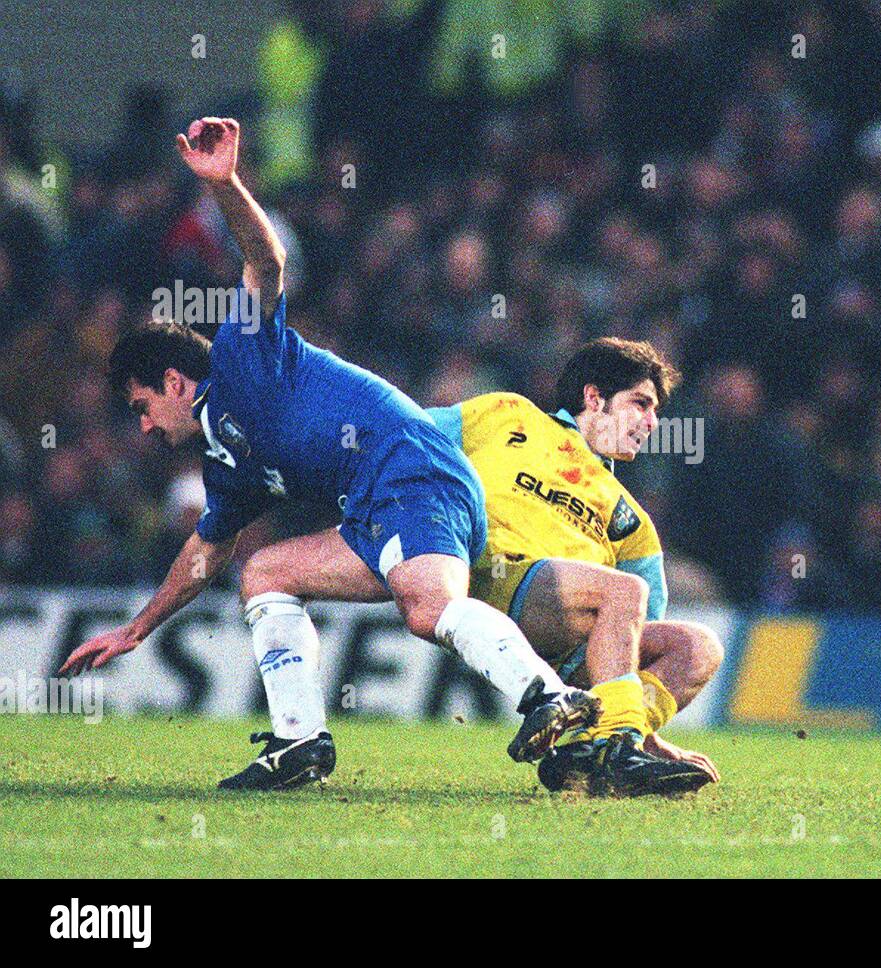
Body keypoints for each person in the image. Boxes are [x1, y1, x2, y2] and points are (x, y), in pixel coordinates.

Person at [59, 118, 600, 790]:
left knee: (426, 610)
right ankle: (299, 741)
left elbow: (265, 262)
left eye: (141, 406)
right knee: (265, 572)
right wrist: (137, 628)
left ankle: (547, 697)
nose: (141, 428)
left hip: (413, 473)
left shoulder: (240, 355)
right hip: (376, 511)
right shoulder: (229, 464)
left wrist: (225, 186)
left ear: (174, 382)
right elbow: (206, 554)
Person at [426, 338, 725, 796]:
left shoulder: (630, 519)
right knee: (623, 592)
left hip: (578, 647)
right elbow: (407, 433)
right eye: (640, 404)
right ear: (593, 398)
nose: (652, 422)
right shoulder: (507, 415)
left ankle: (589, 753)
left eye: (656, 411)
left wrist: (649, 730)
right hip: (498, 585)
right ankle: (619, 747)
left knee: (698, 647)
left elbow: (635, 638)